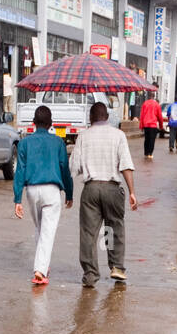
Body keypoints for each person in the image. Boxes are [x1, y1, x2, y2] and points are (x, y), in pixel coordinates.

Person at [70, 100, 137, 287]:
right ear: (107, 117)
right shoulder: (119, 135)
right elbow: (126, 165)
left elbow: (74, 168)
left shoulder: (83, 136)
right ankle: (116, 267)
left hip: (91, 189)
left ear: (91, 118)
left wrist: (68, 191)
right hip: (112, 188)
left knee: (88, 233)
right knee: (114, 229)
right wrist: (132, 192)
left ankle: (90, 274)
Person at [12, 103, 73, 286]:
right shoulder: (58, 142)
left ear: (33, 122)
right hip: (52, 192)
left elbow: (20, 171)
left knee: (40, 229)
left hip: (32, 191)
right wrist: (69, 193)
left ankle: (43, 265)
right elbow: (65, 170)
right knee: (47, 231)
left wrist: (17, 199)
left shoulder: (24, 143)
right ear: (50, 123)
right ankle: (39, 270)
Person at [138, 91, 164, 160]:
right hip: (153, 125)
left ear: (148, 96)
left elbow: (142, 115)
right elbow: (160, 117)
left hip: (146, 124)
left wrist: (141, 125)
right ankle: (150, 153)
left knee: (146, 139)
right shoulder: (156, 105)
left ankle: (146, 153)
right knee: (152, 140)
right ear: (154, 96)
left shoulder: (145, 104)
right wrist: (161, 126)